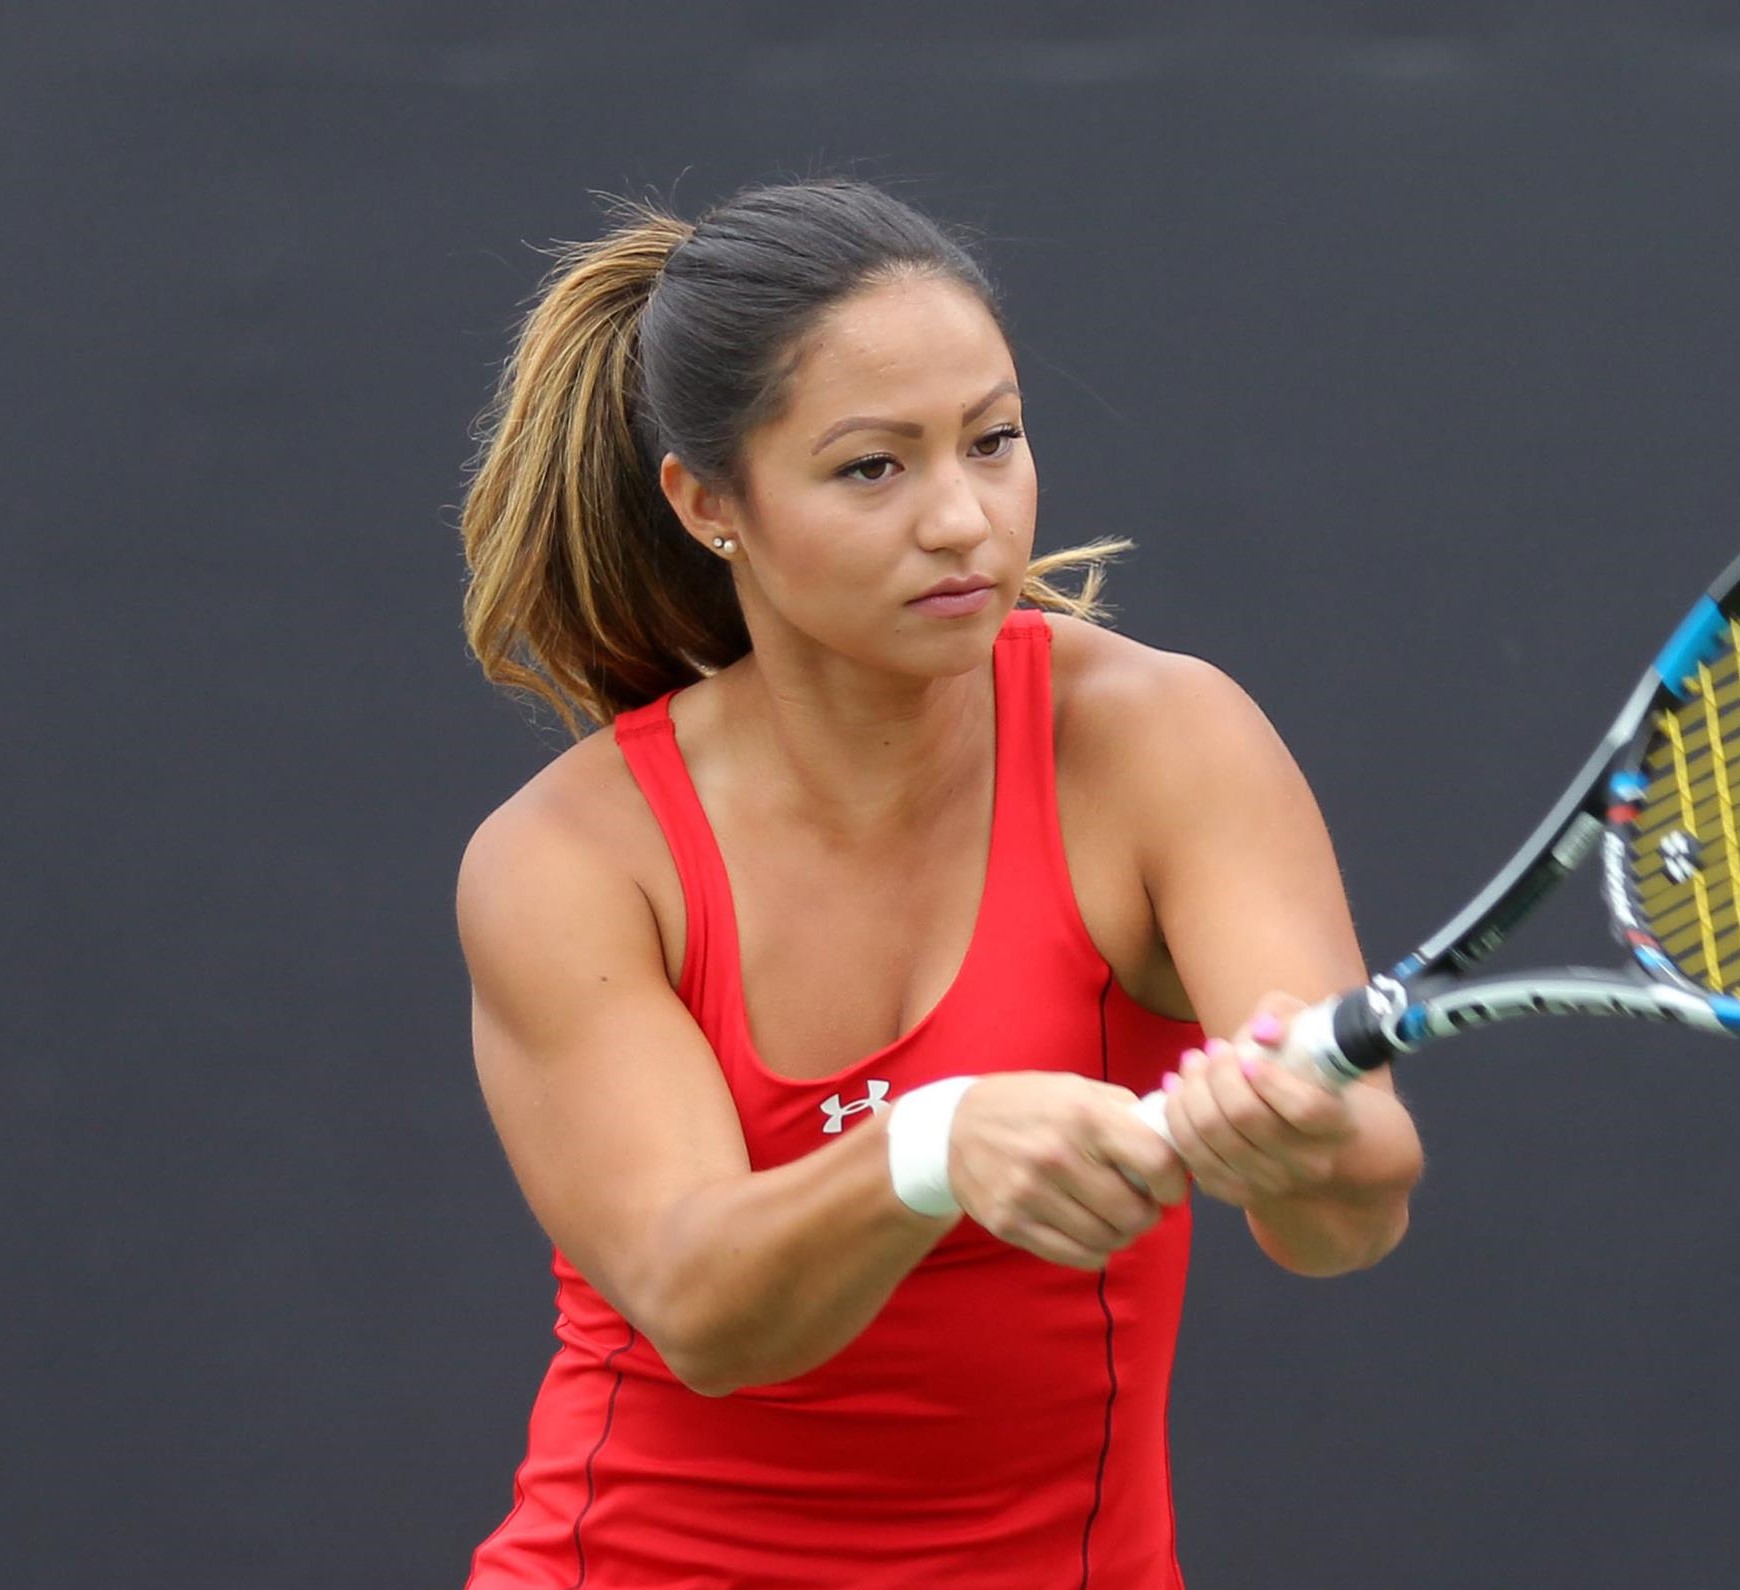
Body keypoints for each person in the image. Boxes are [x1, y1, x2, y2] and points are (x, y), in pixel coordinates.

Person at [451, 179, 1422, 1588]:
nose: (964, 520)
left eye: (994, 439)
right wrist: (934, 1145)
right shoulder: (567, 861)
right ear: (709, 502)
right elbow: (701, 1305)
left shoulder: (1162, 739)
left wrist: (1295, 1141)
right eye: (872, 468)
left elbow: (1349, 1213)